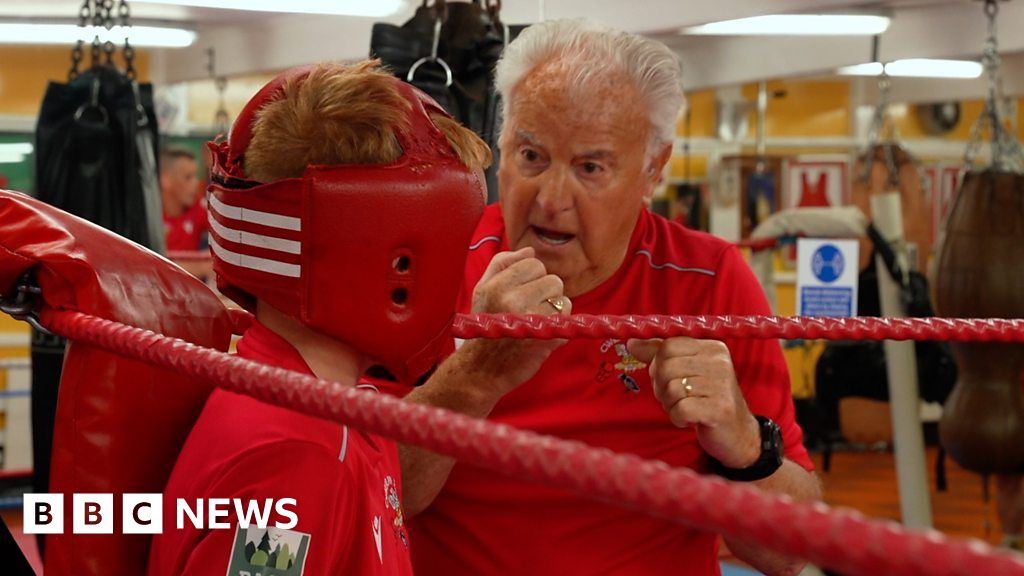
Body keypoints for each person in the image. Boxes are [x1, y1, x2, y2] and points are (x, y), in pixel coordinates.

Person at [392, 19, 822, 576]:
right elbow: (378, 497)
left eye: (590, 167)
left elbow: (793, 554)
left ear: (653, 171)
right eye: (531, 157)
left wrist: (741, 443)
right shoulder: (432, 264)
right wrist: (475, 376)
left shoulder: (709, 281)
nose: (551, 199)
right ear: (500, 147)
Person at [147, 61, 490, 575]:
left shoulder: (327, 411)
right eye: (444, 249)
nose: (456, 277)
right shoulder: (295, 459)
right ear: (390, 261)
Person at [160, 146, 213, 279]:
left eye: (196, 175)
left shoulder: (198, 207)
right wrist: (201, 267)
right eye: (188, 177)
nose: (196, 183)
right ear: (166, 180)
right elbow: (153, 268)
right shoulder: (147, 217)